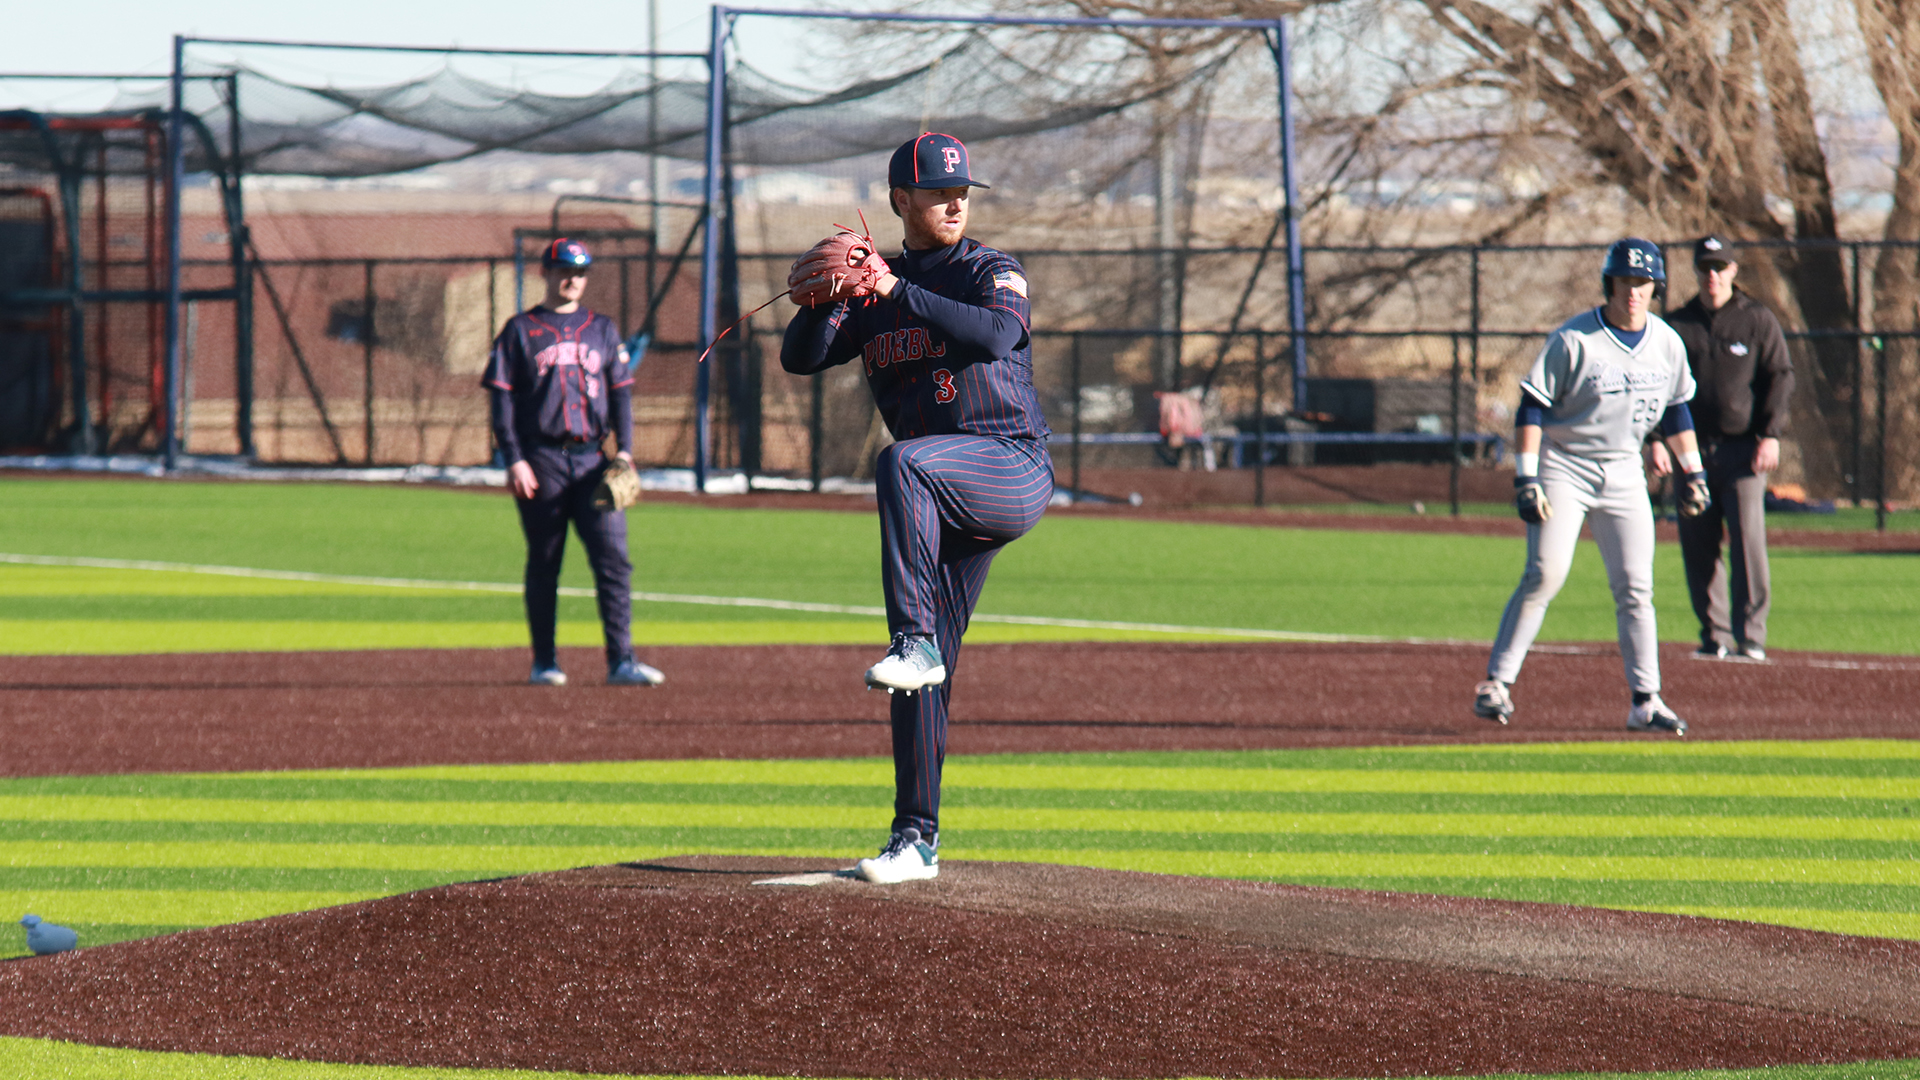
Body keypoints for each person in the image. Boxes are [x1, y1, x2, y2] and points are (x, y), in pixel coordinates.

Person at [780, 133, 1052, 883]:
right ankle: (914, 839)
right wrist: (825, 294)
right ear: (902, 201)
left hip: (1008, 466)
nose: (956, 201)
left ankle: (912, 638)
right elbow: (800, 358)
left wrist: (893, 290)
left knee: (902, 462)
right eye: (938, 193)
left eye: (962, 191)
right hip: (934, 496)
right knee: (920, 676)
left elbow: (998, 334)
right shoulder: (875, 284)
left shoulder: (990, 269)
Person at [1472, 238, 1709, 735]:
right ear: (1610, 284)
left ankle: (1646, 701)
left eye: (1643, 283)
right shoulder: (1575, 338)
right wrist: (1527, 476)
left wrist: (1694, 471)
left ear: (1656, 288)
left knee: (1636, 587)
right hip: (1565, 465)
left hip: (1624, 470)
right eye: (1625, 282)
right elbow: (1532, 406)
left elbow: (1676, 410)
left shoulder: (1665, 342)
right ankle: (1497, 683)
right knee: (1546, 573)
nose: (1633, 292)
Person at [481, 237, 664, 688]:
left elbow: (621, 393)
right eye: (564, 270)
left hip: (593, 461)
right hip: (540, 458)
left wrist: (624, 453)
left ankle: (622, 660)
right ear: (546, 273)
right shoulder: (519, 330)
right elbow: (501, 401)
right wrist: (514, 458)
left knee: (613, 559)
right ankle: (545, 661)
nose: (572, 279)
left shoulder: (601, 328)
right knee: (546, 560)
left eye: (580, 272)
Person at [1660, 235, 1794, 662]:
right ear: (1696, 271)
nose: (1712, 275)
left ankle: (1751, 636)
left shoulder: (1756, 320)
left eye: (1720, 267)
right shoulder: (1678, 323)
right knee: (1698, 545)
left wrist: (1770, 433)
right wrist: (1655, 440)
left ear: (1734, 271)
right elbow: (1656, 385)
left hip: (1742, 453)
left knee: (1747, 542)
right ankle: (1713, 634)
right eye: (1705, 267)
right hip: (1690, 452)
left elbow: (1780, 376)